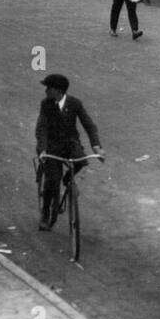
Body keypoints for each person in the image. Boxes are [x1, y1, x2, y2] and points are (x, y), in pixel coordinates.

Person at [34, 74, 105, 231]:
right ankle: (46, 214)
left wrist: (97, 147)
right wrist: (43, 149)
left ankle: (68, 180)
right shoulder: (46, 104)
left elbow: (89, 125)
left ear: (58, 91)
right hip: (52, 146)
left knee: (80, 161)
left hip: (70, 143)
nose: (46, 91)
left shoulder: (75, 103)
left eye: (49, 88)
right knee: (52, 182)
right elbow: (42, 128)